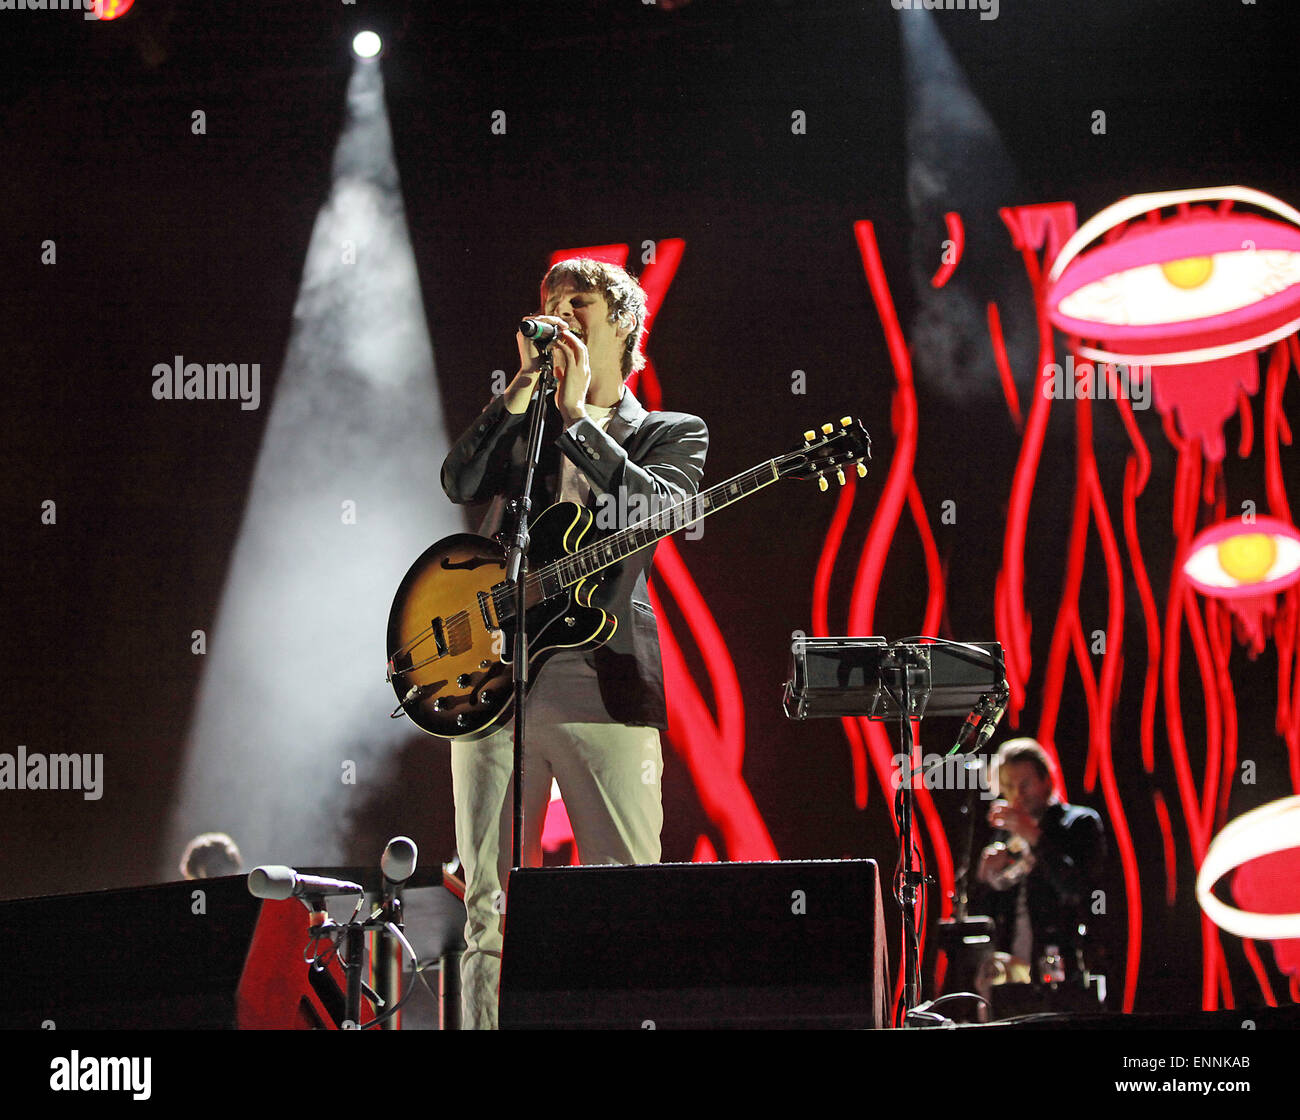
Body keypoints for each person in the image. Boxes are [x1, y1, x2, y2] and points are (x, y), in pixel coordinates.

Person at [439, 257, 708, 1029]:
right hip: (495, 688)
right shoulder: (528, 428)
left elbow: (653, 511)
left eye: (579, 302)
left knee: (626, 899)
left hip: (604, 689)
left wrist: (580, 415)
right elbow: (459, 481)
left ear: (624, 322)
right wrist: (521, 393)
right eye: (552, 301)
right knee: (489, 907)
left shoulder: (669, 431)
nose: (560, 312)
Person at [975, 737, 1105, 993]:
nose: (1017, 795)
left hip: (1065, 969)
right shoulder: (1005, 835)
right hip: (1012, 973)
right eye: (1009, 786)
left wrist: (1032, 835)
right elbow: (987, 911)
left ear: (1048, 780)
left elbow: (1078, 891)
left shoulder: (1079, 823)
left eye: (1025, 784)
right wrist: (985, 876)